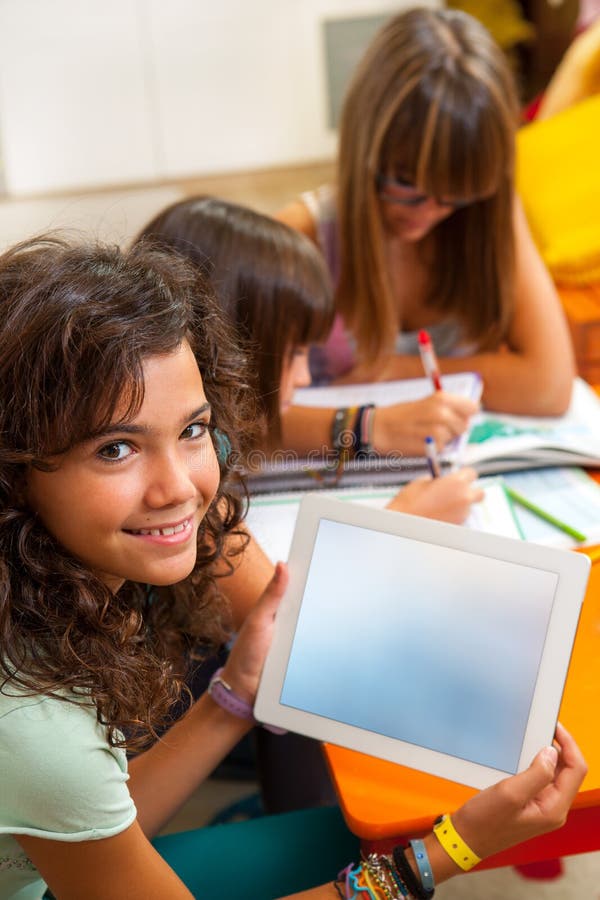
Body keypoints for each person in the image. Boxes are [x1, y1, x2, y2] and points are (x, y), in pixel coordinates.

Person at [0, 236, 586, 900]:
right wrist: (448, 851)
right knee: (389, 837)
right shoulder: (32, 718)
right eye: (115, 448)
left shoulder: (49, 597)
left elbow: (85, 819)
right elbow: (65, 778)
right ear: (15, 470)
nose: (180, 488)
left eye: (192, 431)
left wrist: (235, 695)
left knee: (353, 832)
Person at [277, 6, 576, 463]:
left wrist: (391, 372)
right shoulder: (298, 240)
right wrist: (366, 426)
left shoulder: (489, 212)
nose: (431, 212)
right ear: (365, 149)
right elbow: (228, 421)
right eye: (407, 185)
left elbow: (549, 386)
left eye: (456, 195)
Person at [136, 195, 483, 530]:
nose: (304, 378)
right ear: (230, 346)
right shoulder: (189, 491)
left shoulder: (210, 449)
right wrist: (405, 522)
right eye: (294, 352)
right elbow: (289, 591)